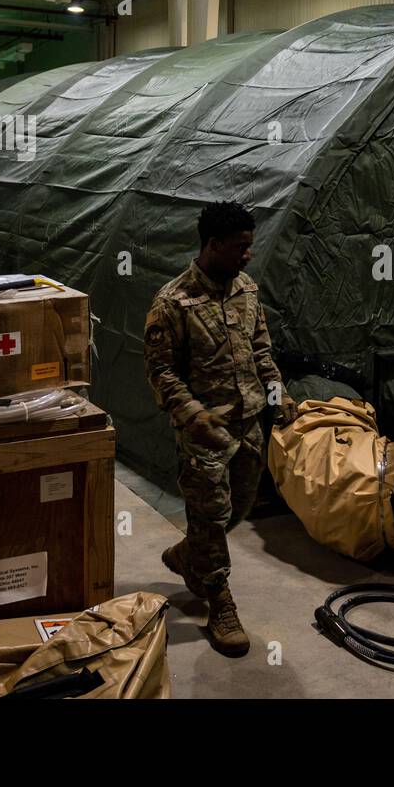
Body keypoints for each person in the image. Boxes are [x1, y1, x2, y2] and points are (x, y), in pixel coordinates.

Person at [144, 201, 298, 657]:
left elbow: (262, 352)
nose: (248, 255)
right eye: (241, 247)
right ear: (213, 245)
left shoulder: (246, 290)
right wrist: (194, 416)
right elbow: (161, 372)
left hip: (249, 424)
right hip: (204, 432)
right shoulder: (173, 302)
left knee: (238, 508)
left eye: (250, 246)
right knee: (211, 515)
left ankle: (188, 553)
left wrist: (278, 397)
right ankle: (220, 602)